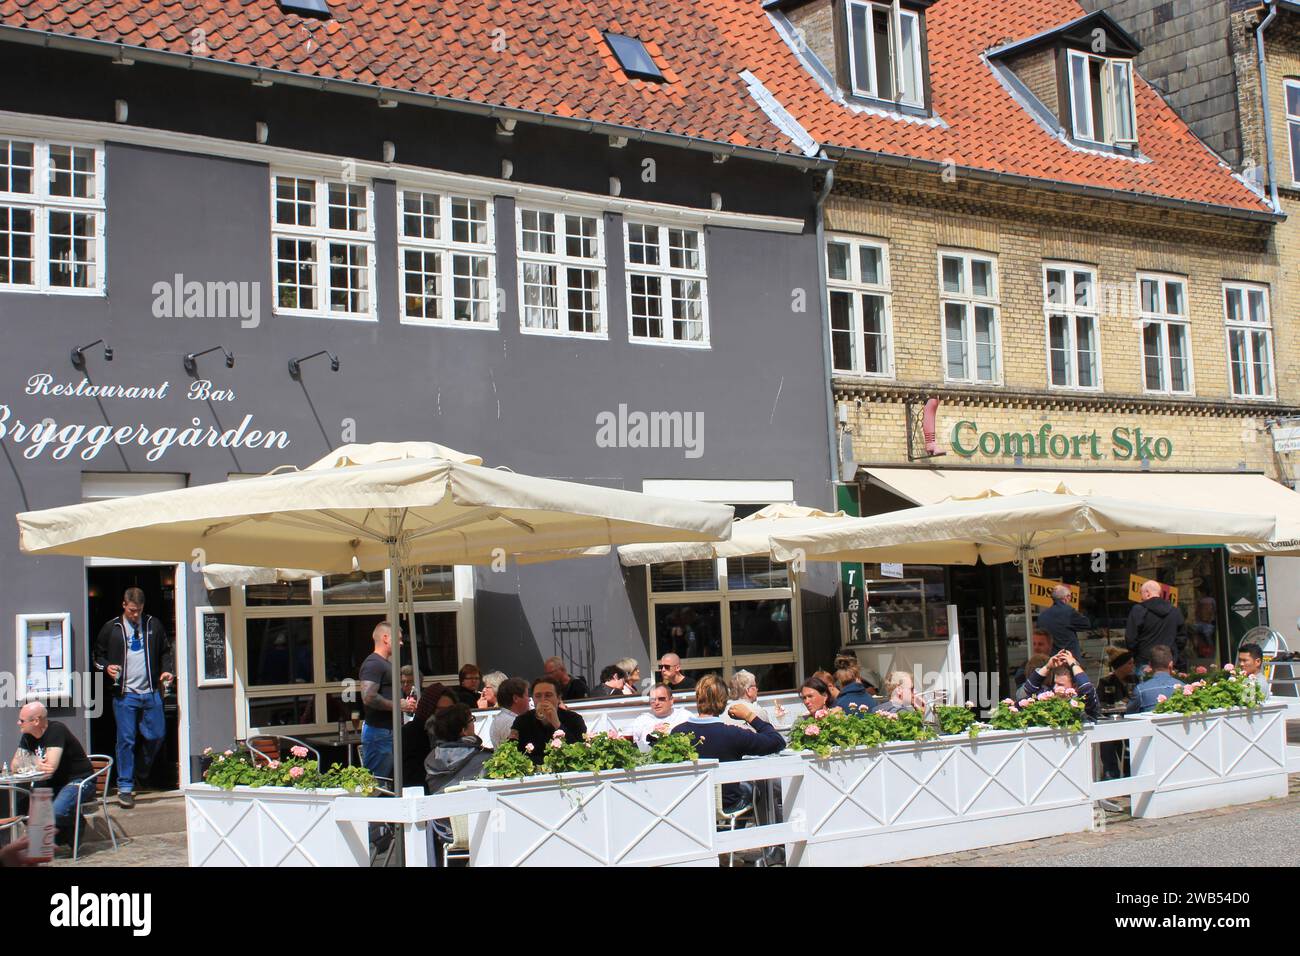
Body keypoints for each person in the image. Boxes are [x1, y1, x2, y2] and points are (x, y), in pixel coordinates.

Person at [93, 587, 174, 809]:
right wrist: (107, 667)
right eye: (131, 611)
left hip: (150, 691)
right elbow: (97, 655)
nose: (135, 615)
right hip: (125, 693)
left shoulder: (153, 625)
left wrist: (167, 670)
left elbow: (165, 651)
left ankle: (140, 770)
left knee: (157, 734)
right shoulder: (112, 628)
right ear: (123, 605)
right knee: (126, 740)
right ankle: (125, 786)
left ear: (143, 607)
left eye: (138, 611)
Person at [670, 675, 783, 812]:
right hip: (727, 804)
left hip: (692, 802)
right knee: (755, 788)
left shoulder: (677, 732)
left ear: (698, 699)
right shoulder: (733, 734)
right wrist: (749, 716)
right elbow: (777, 741)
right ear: (724, 702)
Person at [13, 702, 96, 845]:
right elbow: (14, 765)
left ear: (36, 721)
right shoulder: (28, 735)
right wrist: (36, 762)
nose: (18, 723)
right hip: (53, 783)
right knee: (21, 809)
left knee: (57, 811)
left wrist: (29, 762)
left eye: (22, 720)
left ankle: (76, 822)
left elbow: (50, 766)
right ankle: (62, 835)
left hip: (78, 780)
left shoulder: (56, 729)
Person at [424, 704, 491, 867]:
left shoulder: (431, 759)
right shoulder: (484, 759)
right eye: (471, 720)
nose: (473, 723)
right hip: (479, 827)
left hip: (442, 828)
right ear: (463, 730)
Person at [358, 621, 417, 783]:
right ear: (385, 638)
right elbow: (368, 697)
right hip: (380, 732)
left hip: (387, 732)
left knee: (388, 782)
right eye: (398, 639)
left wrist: (404, 703)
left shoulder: (383, 664)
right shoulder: (374, 663)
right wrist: (399, 705)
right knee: (378, 783)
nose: (401, 643)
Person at [510, 677, 587, 764]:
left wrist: (557, 724)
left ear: (558, 698)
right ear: (533, 699)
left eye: (548, 695)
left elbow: (579, 752)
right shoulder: (522, 721)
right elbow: (513, 753)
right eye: (538, 696)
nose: (543, 700)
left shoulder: (574, 719)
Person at [1125, 580, 1187, 670]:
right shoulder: (1175, 611)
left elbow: (1131, 639)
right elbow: (1182, 638)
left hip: (1145, 662)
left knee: (1145, 684)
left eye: (1141, 594)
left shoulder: (1138, 610)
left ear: (1147, 593)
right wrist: (1174, 653)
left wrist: (1137, 655)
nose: (1141, 598)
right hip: (1169, 661)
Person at [1022, 650, 1100, 721]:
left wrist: (1074, 664)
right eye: (1055, 683)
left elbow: (1087, 688)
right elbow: (1029, 689)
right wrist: (1048, 666)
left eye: (1060, 684)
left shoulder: (1083, 702)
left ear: (1074, 686)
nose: (1055, 688)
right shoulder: (1049, 699)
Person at [631, 682, 693, 751]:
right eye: (653, 700)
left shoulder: (684, 716)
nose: (656, 703)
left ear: (671, 700)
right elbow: (630, 743)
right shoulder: (642, 720)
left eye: (661, 699)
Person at [1037, 585, 1091, 659]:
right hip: (1069, 659)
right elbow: (1086, 624)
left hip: (1051, 659)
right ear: (1066, 597)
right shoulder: (1068, 611)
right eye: (1070, 597)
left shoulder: (1042, 616)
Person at [1127, 645, 1183, 713]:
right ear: (1171, 665)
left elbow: (1130, 715)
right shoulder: (1184, 688)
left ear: (1150, 665)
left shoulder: (1140, 690)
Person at [489, 678, 531, 748]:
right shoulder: (512, 722)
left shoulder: (500, 718)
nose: (529, 699)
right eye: (526, 695)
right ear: (515, 698)